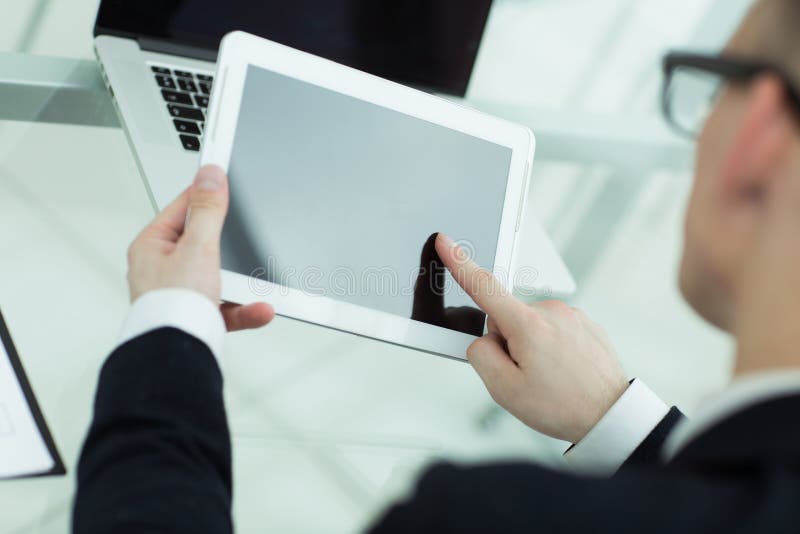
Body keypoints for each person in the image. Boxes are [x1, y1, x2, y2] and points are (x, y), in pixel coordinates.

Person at [73, 0, 800, 531]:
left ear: (758, 139)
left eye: (709, 87)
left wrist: (169, 328)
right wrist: (619, 420)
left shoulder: (487, 519)